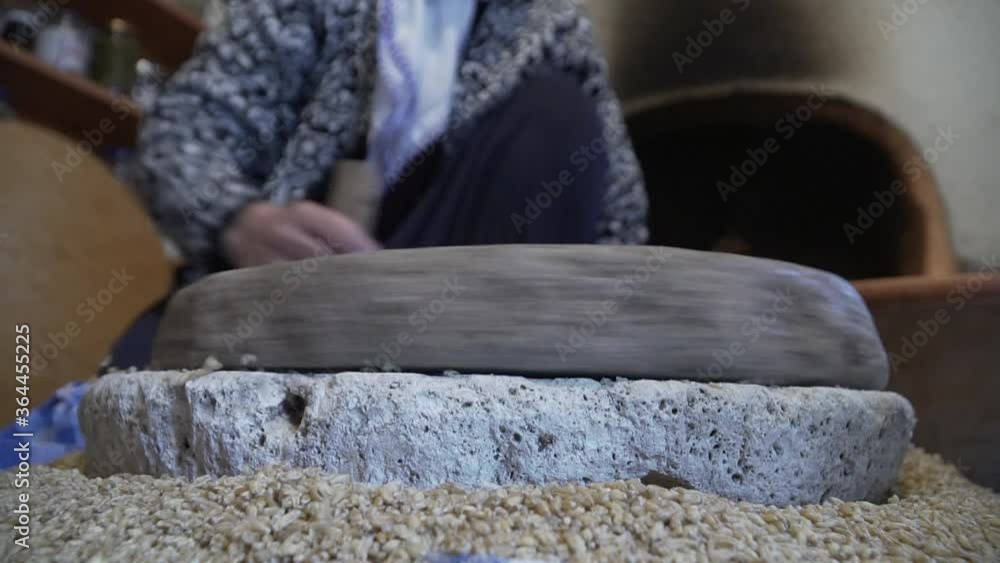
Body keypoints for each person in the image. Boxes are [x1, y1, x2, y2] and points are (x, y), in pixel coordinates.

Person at [114, 0, 648, 366]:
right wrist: (239, 220)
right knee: (134, 365)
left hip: (456, 305)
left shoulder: (552, 25)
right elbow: (185, 127)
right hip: (294, 286)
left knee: (559, 117)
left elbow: (618, 222)